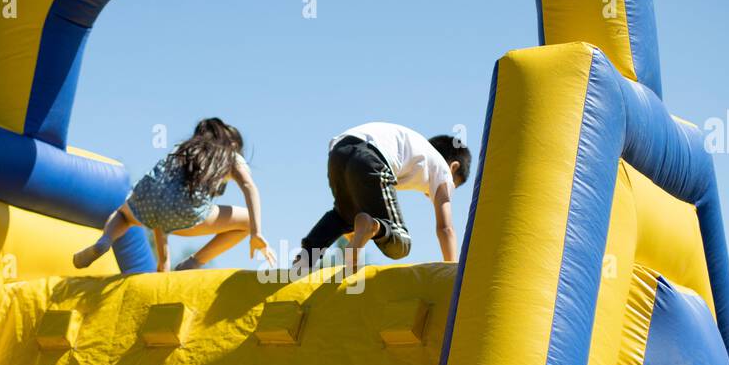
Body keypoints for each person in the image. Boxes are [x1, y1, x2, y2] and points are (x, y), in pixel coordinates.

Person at [73, 118, 276, 273]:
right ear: (232, 144)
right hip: (187, 213)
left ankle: (105, 241)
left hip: (145, 197)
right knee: (247, 222)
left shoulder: (183, 149)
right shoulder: (230, 155)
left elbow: (161, 209)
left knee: (123, 215)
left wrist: (163, 262)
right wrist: (256, 232)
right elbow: (249, 187)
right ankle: (194, 262)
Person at [293, 122, 471, 274]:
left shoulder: (417, 150)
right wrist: (451, 268)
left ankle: (305, 259)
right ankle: (373, 225)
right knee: (400, 245)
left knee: (342, 216)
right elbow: (445, 228)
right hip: (372, 157)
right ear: (453, 167)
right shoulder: (443, 171)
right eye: (454, 186)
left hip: (339, 152)